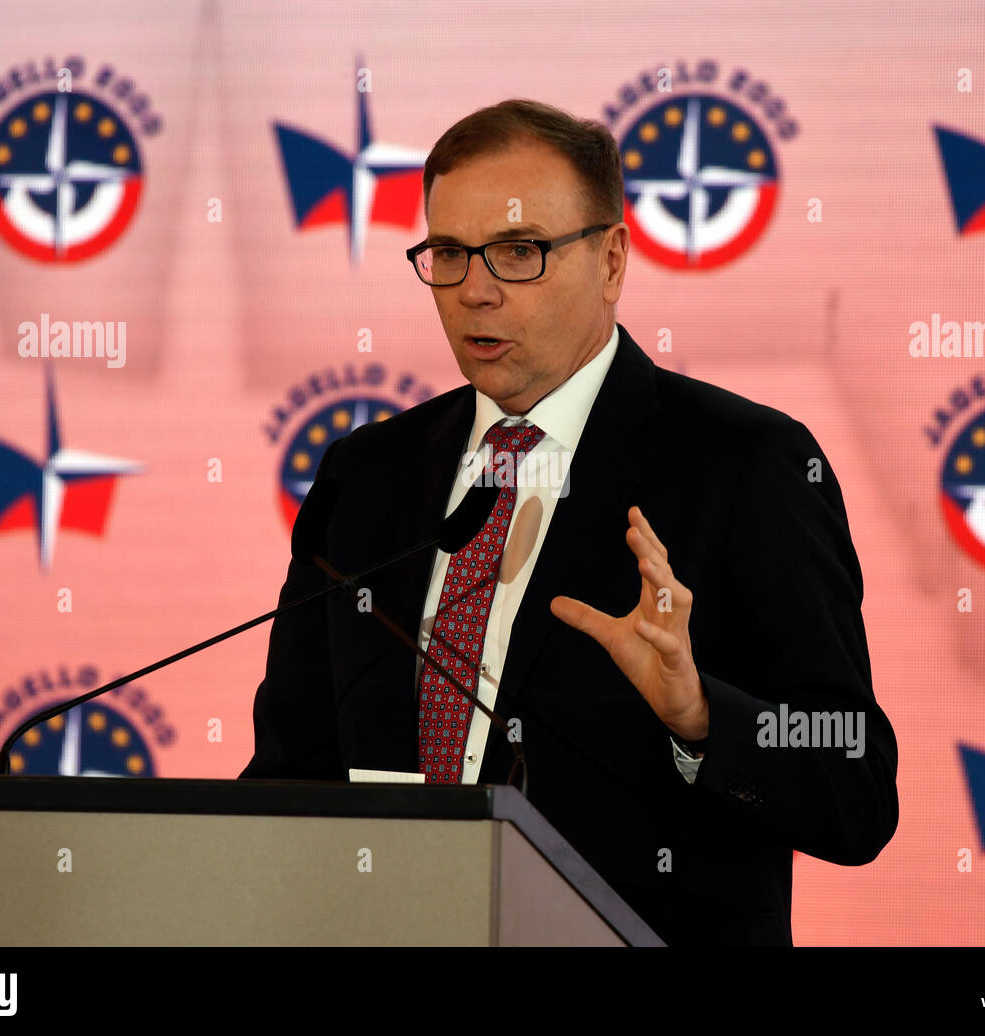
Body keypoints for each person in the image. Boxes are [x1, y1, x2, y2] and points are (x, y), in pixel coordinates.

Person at [240, 98, 898, 946]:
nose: (475, 288)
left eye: (519, 252)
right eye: (448, 252)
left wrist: (701, 715)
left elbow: (855, 787)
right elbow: (292, 773)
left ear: (612, 260)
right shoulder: (367, 474)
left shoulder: (746, 464)